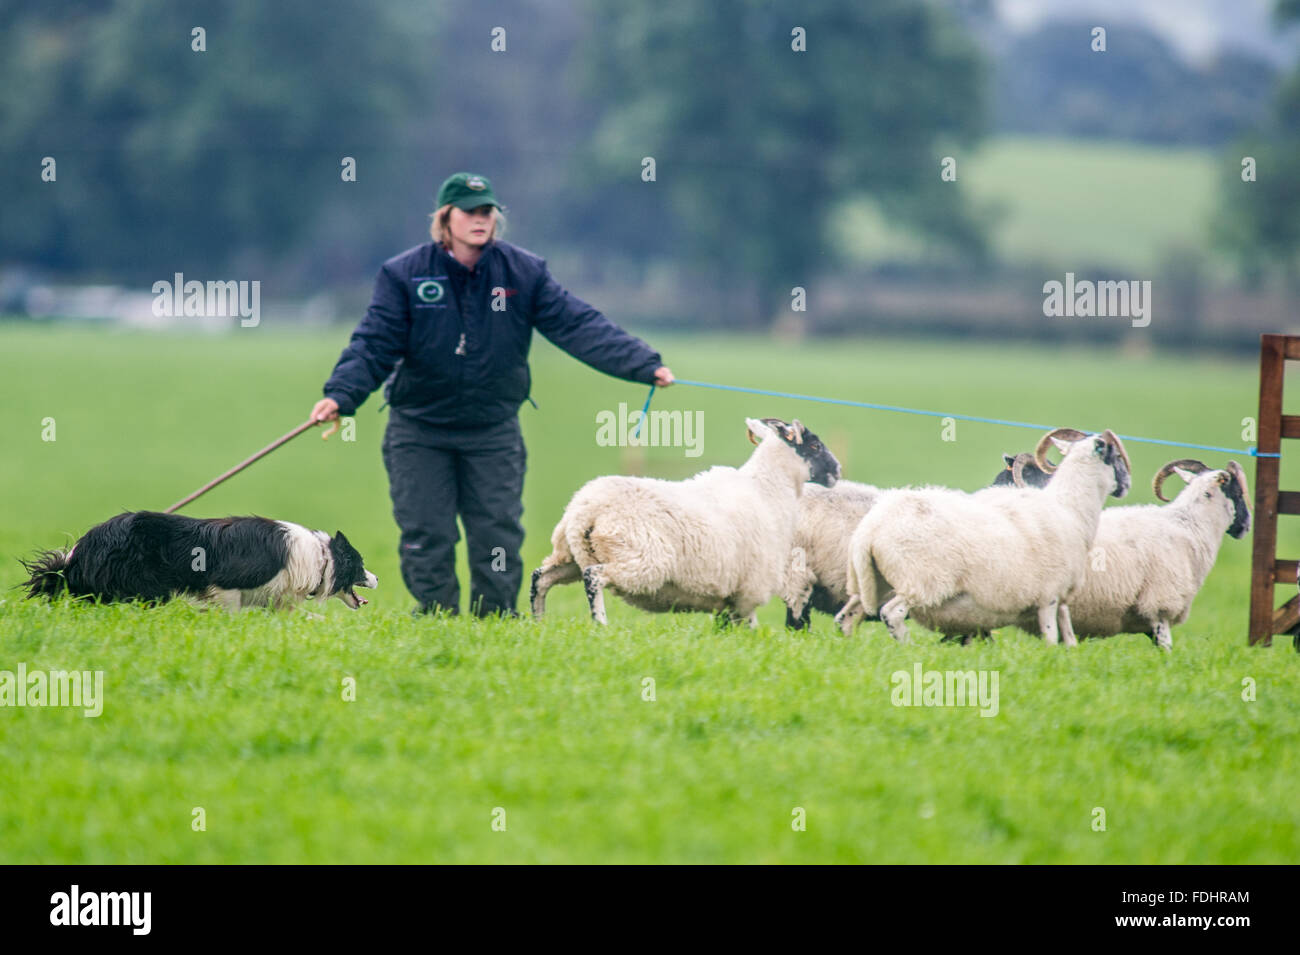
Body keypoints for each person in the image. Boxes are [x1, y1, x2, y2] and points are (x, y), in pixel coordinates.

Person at [310, 172, 673, 616]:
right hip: (419, 428)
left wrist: (642, 363)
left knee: (497, 533)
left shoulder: (523, 273)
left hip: (493, 430)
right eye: (470, 211)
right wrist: (341, 395)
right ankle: (437, 617)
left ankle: (496, 619)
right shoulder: (404, 275)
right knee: (427, 532)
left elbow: (579, 325)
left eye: (487, 211)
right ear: (446, 217)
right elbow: (373, 343)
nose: (480, 219)